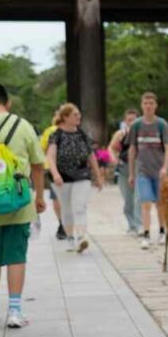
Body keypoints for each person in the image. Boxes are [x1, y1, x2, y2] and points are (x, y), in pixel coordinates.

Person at [0, 80, 46, 328]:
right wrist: (39, 197)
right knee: (16, 255)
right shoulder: (23, 126)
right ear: (8, 102)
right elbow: (38, 164)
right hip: (18, 204)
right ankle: (15, 309)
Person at [46, 103, 104, 253]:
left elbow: (91, 156)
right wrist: (55, 174)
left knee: (80, 207)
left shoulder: (82, 134)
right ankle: (70, 238)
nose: (79, 117)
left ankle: (81, 238)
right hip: (62, 178)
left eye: (79, 114)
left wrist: (98, 176)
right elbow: (50, 157)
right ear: (65, 117)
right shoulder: (56, 135)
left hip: (82, 175)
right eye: (75, 115)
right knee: (66, 209)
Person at [127, 91, 168, 250]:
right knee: (145, 202)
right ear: (142, 105)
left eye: (151, 103)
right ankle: (146, 233)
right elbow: (132, 149)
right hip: (143, 170)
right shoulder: (136, 125)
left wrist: (166, 167)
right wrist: (131, 172)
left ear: (156, 106)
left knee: (160, 203)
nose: (148, 106)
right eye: (145, 103)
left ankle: (161, 230)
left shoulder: (162, 124)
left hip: (159, 170)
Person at [108, 108, 142, 235]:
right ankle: (132, 225)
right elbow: (111, 148)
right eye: (129, 120)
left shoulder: (143, 132)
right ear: (125, 121)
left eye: (134, 120)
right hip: (124, 167)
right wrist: (114, 159)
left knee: (139, 197)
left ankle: (140, 225)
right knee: (128, 198)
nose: (132, 122)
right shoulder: (120, 134)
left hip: (140, 167)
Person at [40, 111, 66, 239]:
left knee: (56, 197)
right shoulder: (74, 130)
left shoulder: (49, 131)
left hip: (52, 168)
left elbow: (42, 149)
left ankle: (62, 223)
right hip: (71, 170)